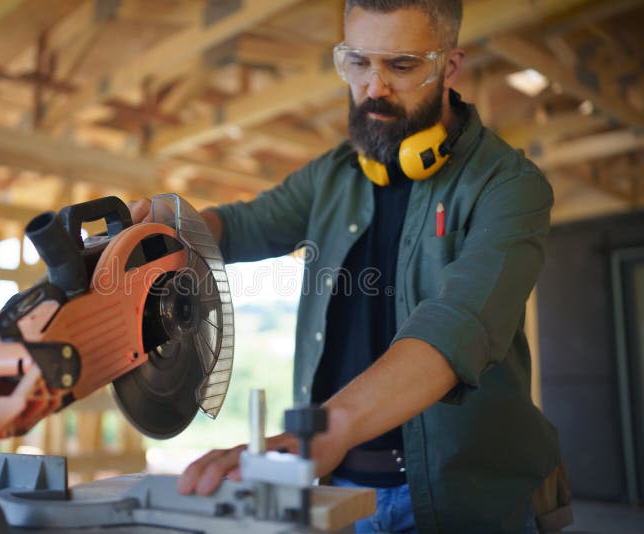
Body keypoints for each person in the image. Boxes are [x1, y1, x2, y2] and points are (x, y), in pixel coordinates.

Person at [130, 1, 564, 532]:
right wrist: (171, 225)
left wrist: (327, 430)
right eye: (357, 62)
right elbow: (244, 225)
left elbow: (457, 325)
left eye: (401, 66)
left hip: (464, 503)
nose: (373, 87)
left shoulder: (509, 187)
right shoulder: (334, 174)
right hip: (339, 493)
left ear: (449, 67)